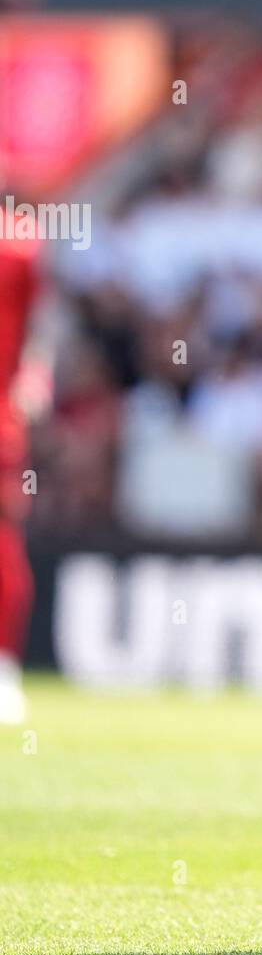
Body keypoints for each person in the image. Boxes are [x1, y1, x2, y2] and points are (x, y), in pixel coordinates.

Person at [0, 201, 43, 725]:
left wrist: (33, 378)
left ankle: (5, 665)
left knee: (5, 541)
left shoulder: (18, 245)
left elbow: (36, 334)